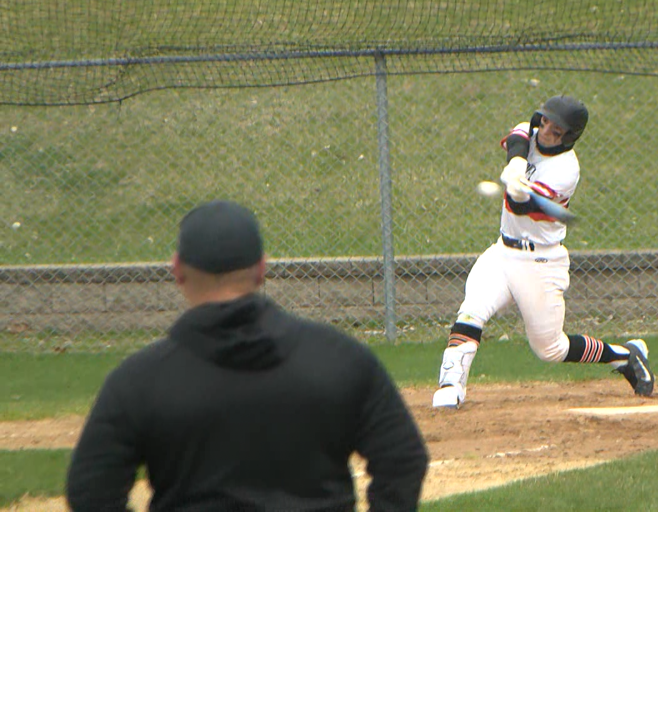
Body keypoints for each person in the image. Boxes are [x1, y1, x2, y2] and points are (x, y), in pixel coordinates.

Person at [65, 200, 430, 511]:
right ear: (261, 268)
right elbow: (403, 459)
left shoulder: (139, 380)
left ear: (177, 271)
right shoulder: (341, 359)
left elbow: (90, 488)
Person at [431, 94, 655, 408]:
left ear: (570, 136)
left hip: (539, 261)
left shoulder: (566, 170)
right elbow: (518, 136)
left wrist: (520, 194)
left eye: (557, 128)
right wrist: (516, 165)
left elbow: (520, 207)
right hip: (502, 251)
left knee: (550, 349)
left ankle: (624, 356)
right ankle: (451, 385)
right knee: (472, 310)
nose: (547, 130)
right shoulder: (531, 132)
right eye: (546, 121)